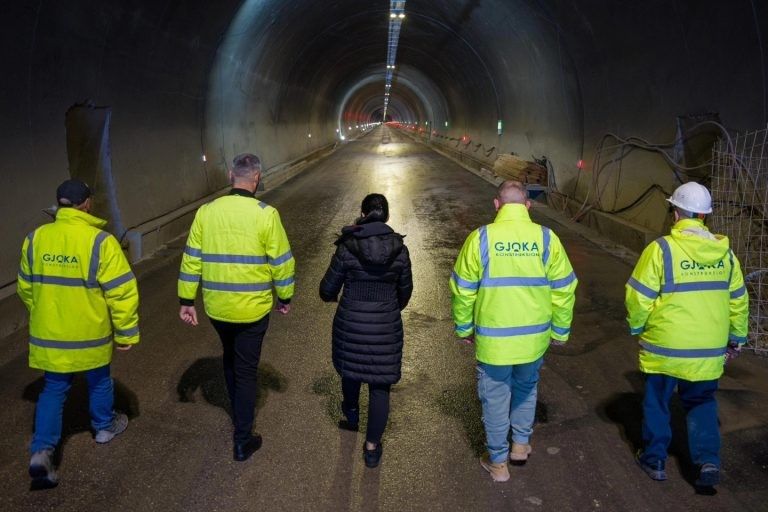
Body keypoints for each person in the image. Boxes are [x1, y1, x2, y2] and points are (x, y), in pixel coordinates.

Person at [450, 180, 577, 482]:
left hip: (495, 341)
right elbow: (564, 288)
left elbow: (462, 289)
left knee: (495, 398)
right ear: (528, 206)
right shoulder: (547, 239)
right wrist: (560, 331)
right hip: (534, 339)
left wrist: (464, 327)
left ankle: (498, 462)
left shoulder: (481, 239)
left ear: (497, 205)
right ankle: (520, 445)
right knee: (526, 387)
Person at [17, 179, 140, 488]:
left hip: (51, 335)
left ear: (59, 204)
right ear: (87, 205)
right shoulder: (101, 242)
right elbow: (122, 292)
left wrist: (45, 314)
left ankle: (42, 451)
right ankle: (104, 427)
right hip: (90, 334)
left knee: (53, 390)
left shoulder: (35, 238)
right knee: (99, 380)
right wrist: (126, 332)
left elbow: (25, 288)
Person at [625, 181, 749, 488]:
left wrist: (638, 328)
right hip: (708, 351)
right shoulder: (726, 254)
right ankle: (707, 462)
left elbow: (638, 296)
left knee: (657, 401)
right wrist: (736, 338)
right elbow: (738, 300)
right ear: (704, 217)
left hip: (665, 346)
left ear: (676, 214)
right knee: (702, 401)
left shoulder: (661, 249)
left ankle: (654, 459)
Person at [178, 153, 295, 462]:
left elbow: (191, 258)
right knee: (245, 370)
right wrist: (285, 297)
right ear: (256, 179)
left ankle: (236, 410)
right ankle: (242, 438)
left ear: (231, 175)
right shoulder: (265, 214)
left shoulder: (207, 212)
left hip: (217, 308)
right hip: (252, 310)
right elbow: (281, 263)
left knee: (230, 358)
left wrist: (186, 300)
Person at [319, 193, 413, 468]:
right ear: (386, 215)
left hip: (351, 322)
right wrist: (390, 305)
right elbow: (405, 291)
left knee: (351, 370)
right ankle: (372, 447)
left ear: (362, 213)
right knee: (380, 385)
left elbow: (327, 289)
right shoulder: (400, 248)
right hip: (385, 325)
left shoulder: (348, 245)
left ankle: (351, 416)